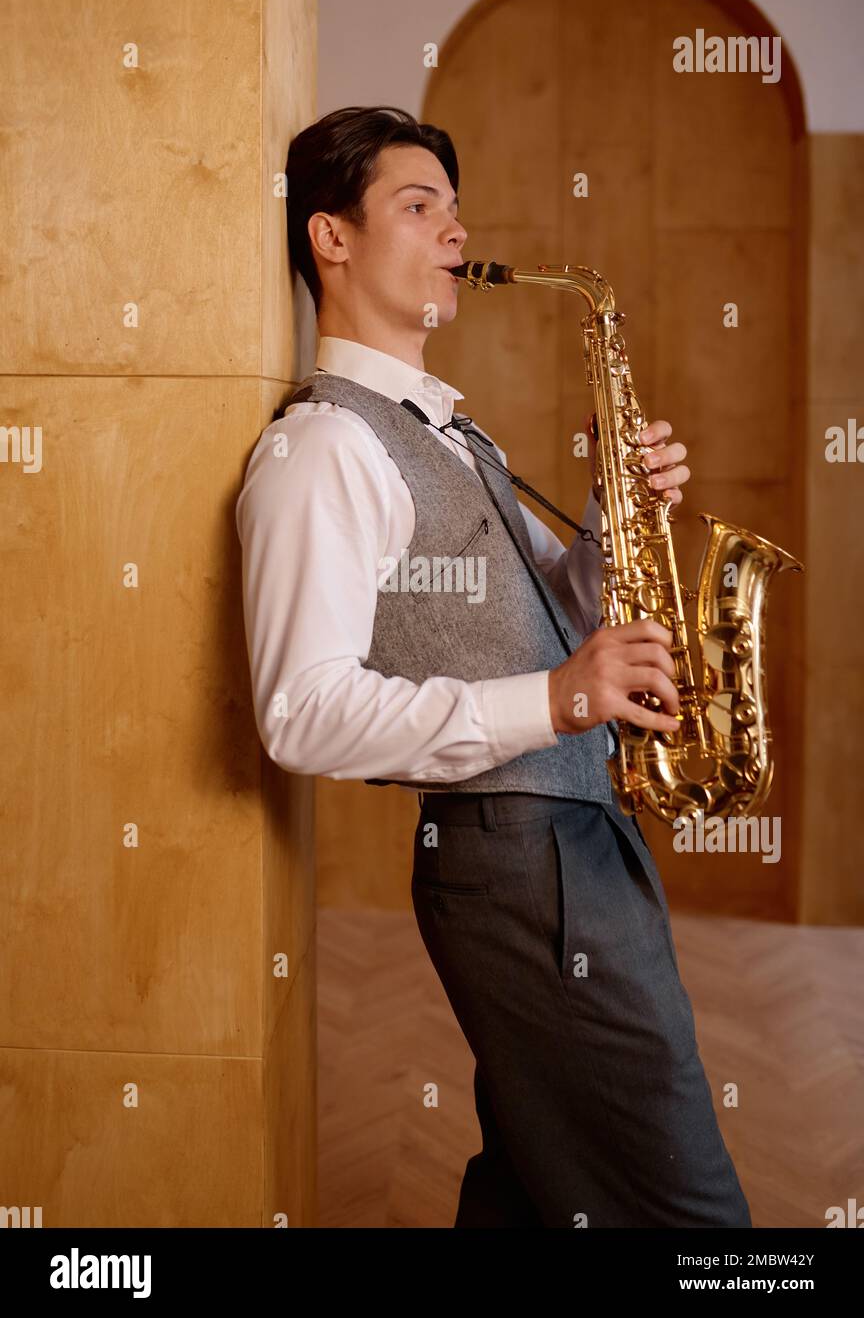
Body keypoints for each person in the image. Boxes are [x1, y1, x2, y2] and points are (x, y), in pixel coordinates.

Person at [235, 105, 752, 1229]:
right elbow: (300, 711)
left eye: (455, 211)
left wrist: (614, 528)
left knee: (536, 1176)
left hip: (570, 836)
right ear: (330, 237)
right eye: (418, 208)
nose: (455, 233)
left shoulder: (456, 435)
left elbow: (548, 605)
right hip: (517, 857)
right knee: (685, 1202)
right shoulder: (322, 449)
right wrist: (563, 697)